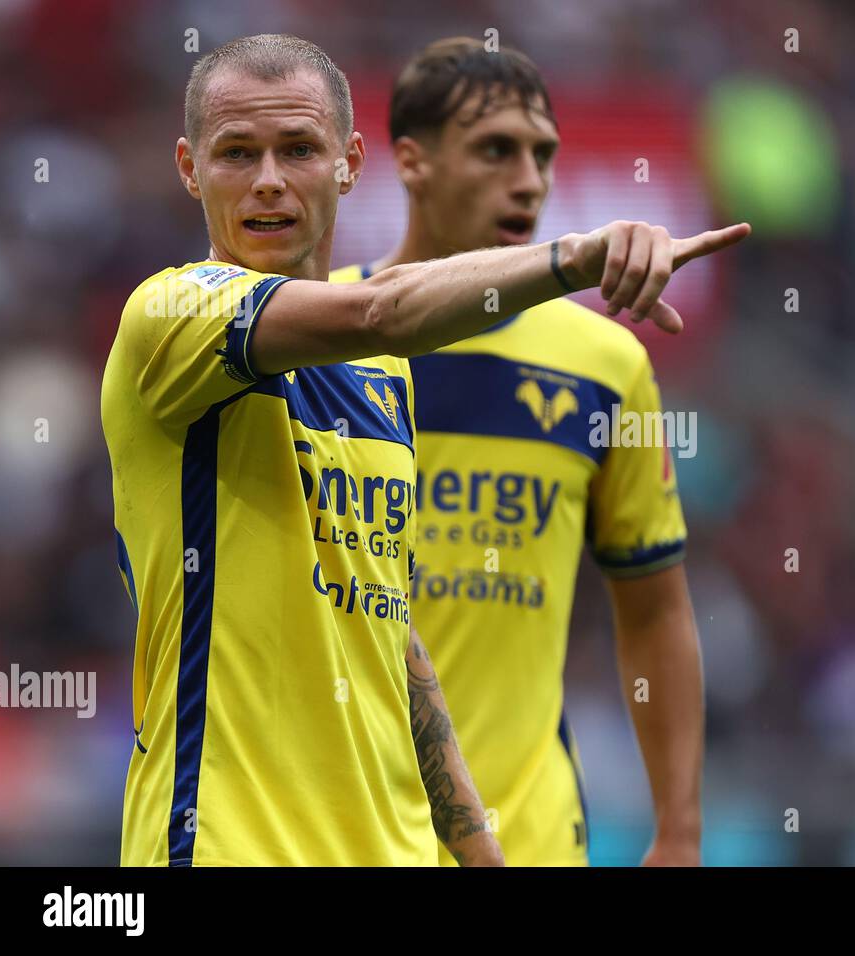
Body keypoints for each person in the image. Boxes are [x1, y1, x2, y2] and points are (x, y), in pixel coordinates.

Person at [102, 32, 748, 866]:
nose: (268, 179)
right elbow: (381, 310)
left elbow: (394, 629)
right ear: (190, 169)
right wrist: (575, 257)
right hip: (228, 845)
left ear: (349, 163)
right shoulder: (171, 315)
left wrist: (478, 848)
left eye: (298, 149)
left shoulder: (387, 375)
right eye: (238, 154)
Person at [331, 37, 711, 866]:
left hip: (531, 836)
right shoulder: (323, 340)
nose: (531, 180)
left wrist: (680, 832)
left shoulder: (608, 365)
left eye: (543, 154)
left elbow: (656, 608)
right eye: (496, 150)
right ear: (412, 161)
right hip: (346, 836)